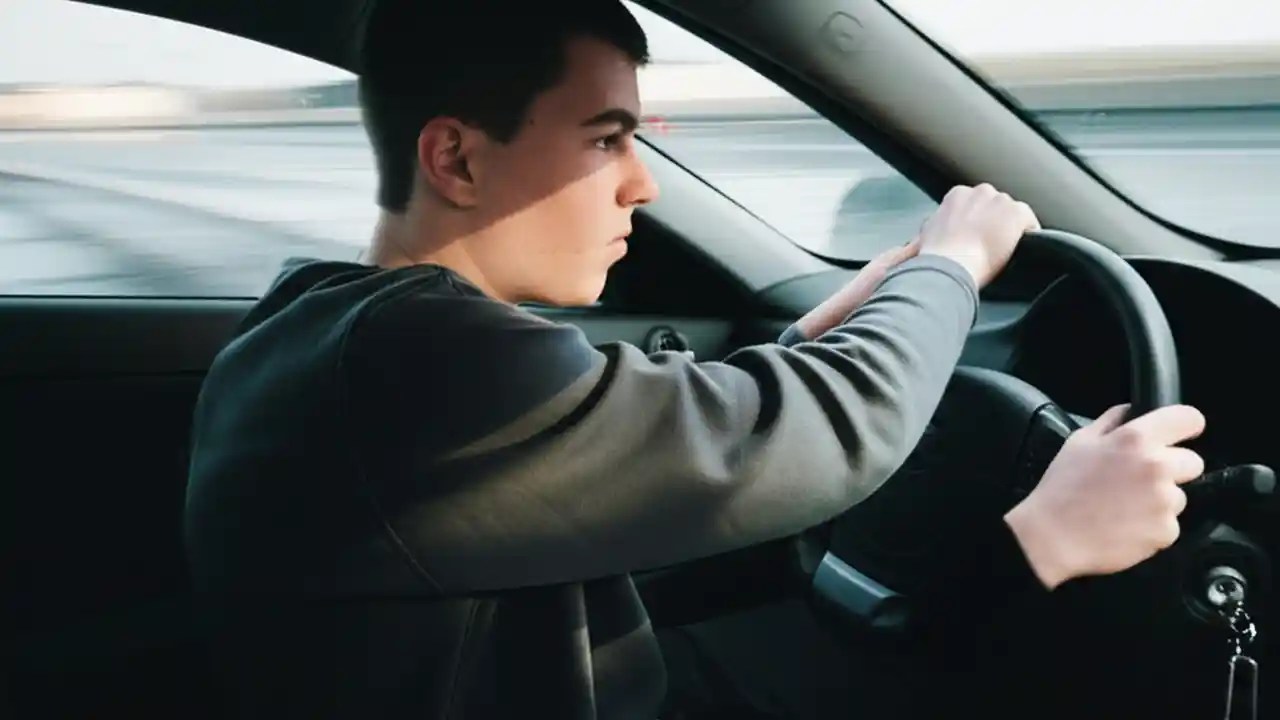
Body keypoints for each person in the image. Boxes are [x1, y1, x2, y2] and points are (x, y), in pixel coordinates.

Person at [183, 0, 1209, 717]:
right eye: (604, 140)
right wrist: (948, 266)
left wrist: (848, 313)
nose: (644, 185)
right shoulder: (416, 365)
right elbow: (821, 434)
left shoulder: (320, 328)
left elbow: (681, 426)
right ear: (454, 156)